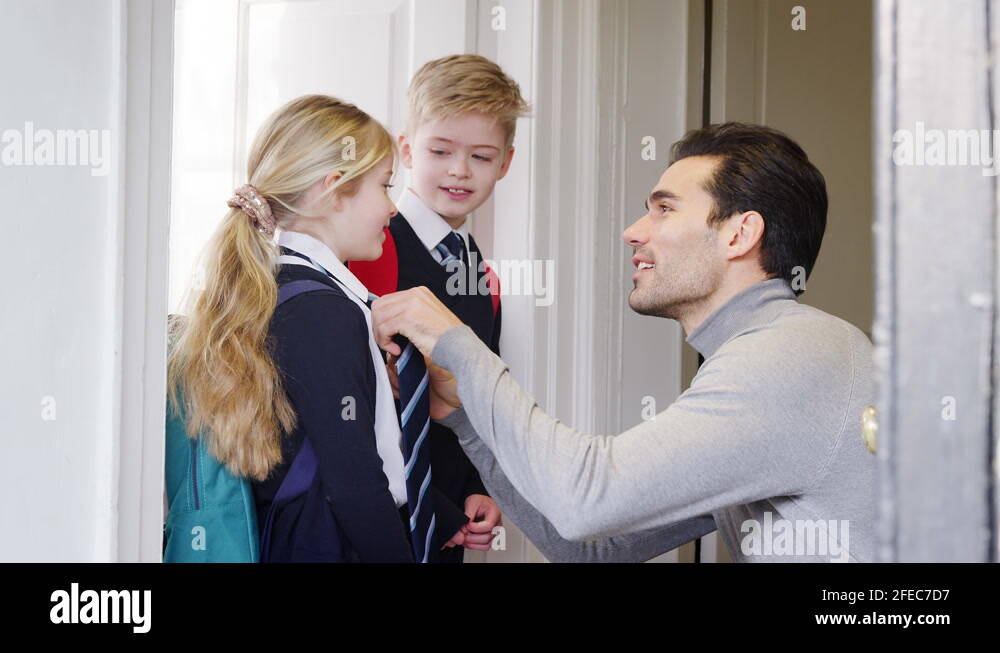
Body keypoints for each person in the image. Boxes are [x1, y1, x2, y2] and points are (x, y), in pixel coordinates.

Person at [372, 122, 878, 562]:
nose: (634, 232)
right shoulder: (763, 357)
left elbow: (588, 499)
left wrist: (457, 343)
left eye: (664, 209)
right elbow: (591, 551)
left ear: (739, 234)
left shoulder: (792, 355)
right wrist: (466, 418)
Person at [166, 95, 467, 562]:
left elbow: (331, 441)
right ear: (333, 189)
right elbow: (353, 480)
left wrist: (443, 517)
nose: (392, 209)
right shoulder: (324, 312)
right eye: (384, 187)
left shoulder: (286, 288)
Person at [350, 54, 529, 562]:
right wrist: (436, 508)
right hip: (383, 519)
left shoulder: (478, 270)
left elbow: (476, 389)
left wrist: (477, 487)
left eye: (481, 156)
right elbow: (361, 404)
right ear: (407, 149)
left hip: (449, 523)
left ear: (506, 163)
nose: (458, 171)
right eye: (441, 150)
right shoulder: (370, 248)